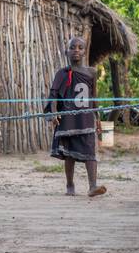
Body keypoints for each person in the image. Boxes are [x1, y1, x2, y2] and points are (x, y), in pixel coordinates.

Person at [45, 35, 106, 197]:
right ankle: (70, 185)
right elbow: (54, 95)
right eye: (73, 47)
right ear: (67, 52)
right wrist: (54, 112)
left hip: (86, 118)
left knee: (90, 152)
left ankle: (93, 186)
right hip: (68, 119)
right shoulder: (62, 73)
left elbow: (93, 96)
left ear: (85, 51)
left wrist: (98, 117)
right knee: (69, 153)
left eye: (80, 47)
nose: (76, 51)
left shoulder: (91, 72)